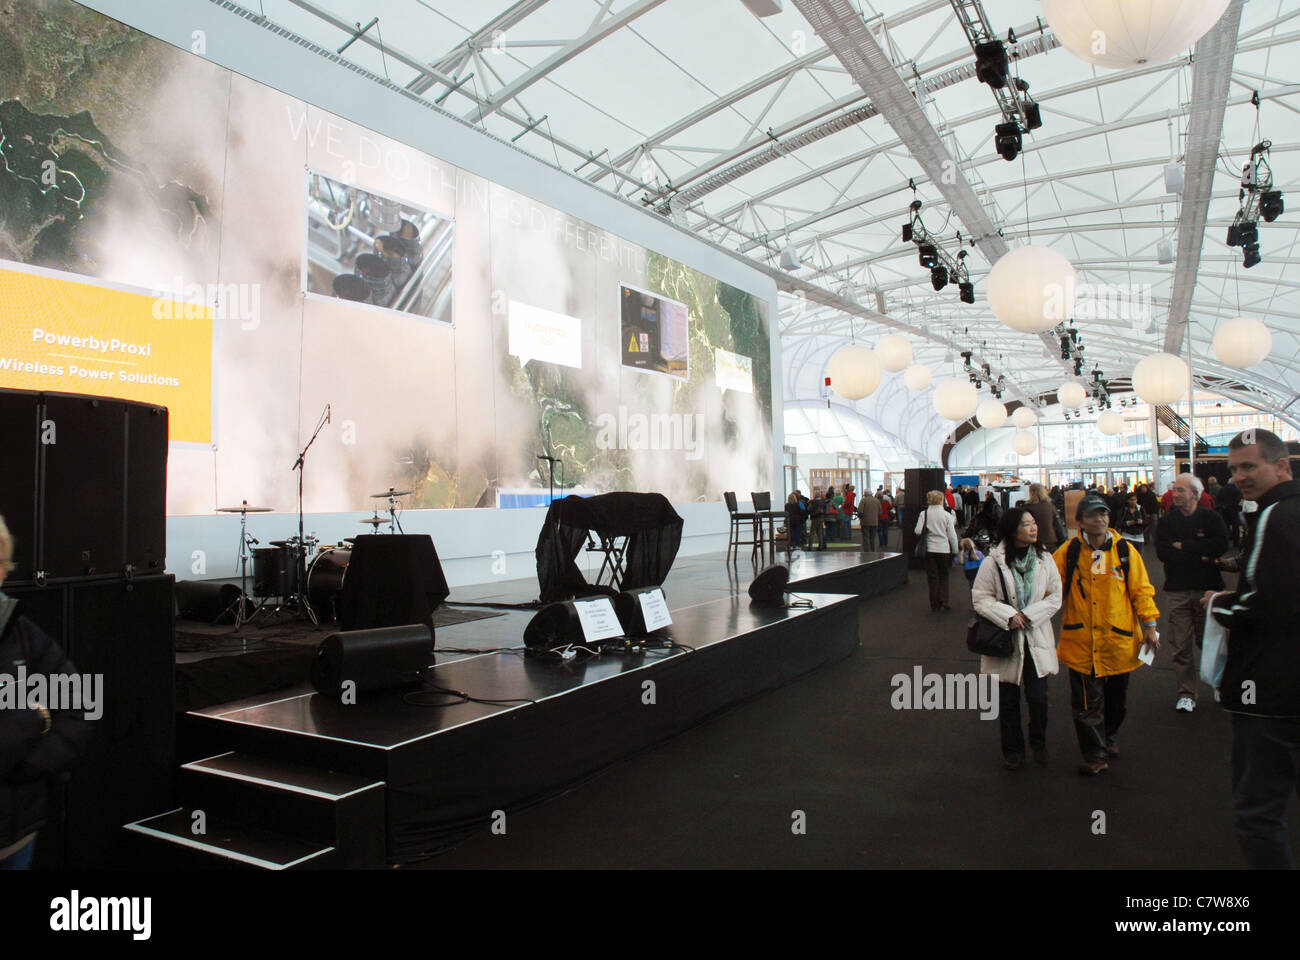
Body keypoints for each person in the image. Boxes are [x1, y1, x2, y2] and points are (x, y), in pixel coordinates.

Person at [1202, 429, 1300, 868]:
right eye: (1234, 468)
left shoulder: (1275, 516)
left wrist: (1219, 604)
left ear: (1282, 466)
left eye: (1249, 466)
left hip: (1268, 690)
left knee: (1258, 812)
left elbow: (1264, 604)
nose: (1239, 476)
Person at [0, 515, 95, 869]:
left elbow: (78, 707)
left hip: (15, 836)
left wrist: (29, 767)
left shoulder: (23, 634)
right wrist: (34, 718)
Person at [1054, 495, 1160, 776]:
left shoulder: (1125, 551)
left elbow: (1141, 590)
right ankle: (1095, 755)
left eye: (1103, 514)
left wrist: (1150, 626)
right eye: (1092, 515)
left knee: (1116, 701)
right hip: (1082, 643)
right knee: (1087, 705)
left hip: (1118, 641)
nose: (1100, 519)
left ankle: (1109, 737)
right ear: (1080, 522)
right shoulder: (1069, 552)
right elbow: (1050, 586)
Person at [973, 507, 1063, 768]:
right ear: (1013, 530)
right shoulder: (993, 561)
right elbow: (980, 597)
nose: (1033, 528)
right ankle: (1012, 750)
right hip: (1006, 640)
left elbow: (1055, 596)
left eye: (1034, 523)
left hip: (1036, 638)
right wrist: (1009, 616)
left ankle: (1039, 743)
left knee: (1039, 698)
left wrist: (1028, 615)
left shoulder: (1045, 559)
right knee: (1008, 700)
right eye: (1027, 524)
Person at [1156, 473, 1228, 713]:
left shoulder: (1211, 518)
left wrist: (1184, 546)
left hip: (1208, 589)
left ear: (1195, 495)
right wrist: (1200, 554)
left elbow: (1220, 546)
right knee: (1180, 646)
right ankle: (1186, 693)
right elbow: (1163, 552)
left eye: (1180, 491)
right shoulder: (1167, 522)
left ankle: (1220, 685)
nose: (1174, 494)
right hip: (1177, 590)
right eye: (1174, 490)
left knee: (1210, 643)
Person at [915, 490, 960, 612]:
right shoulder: (946, 515)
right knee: (944, 575)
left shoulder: (924, 514)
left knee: (932, 577)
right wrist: (955, 550)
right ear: (941, 500)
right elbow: (952, 535)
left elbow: (917, 531)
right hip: (943, 549)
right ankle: (944, 599)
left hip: (929, 549)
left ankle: (934, 604)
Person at [1024, 483, 1059, 552]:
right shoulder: (1050, 505)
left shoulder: (1028, 508)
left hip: (1036, 542)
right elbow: (1057, 524)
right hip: (1051, 541)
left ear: (1032, 492)